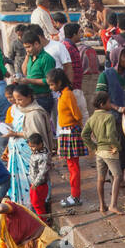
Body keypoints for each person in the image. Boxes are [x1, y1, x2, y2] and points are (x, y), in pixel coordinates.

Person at [2, 80, 52, 207]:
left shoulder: (35, 113)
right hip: (16, 151)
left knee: (34, 178)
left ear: (29, 97)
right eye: (15, 99)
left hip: (29, 153)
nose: (17, 102)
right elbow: (18, 126)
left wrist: (15, 134)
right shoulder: (19, 110)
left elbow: (36, 136)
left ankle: (35, 206)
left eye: (20, 99)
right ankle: (21, 205)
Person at [48, 68, 86, 210]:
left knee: (73, 167)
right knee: (71, 166)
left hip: (71, 132)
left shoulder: (68, 94)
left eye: (52, 85)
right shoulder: (62, 95)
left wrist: (80, 130)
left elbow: (77, 115)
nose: (51, 87)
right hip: (66, 132)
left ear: (59, 82)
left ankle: (75, 196)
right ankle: (74, 194)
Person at [82, 93, 124, 214]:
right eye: (108, 102)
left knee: (100, 179)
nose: (110, 104)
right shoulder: (109, 117)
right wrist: (117, 146)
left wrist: (93, 147)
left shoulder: (92, 118)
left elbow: (84, 135)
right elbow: (111, 135)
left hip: (99, 152)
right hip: (110, 151)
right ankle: (113, 205)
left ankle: (102, 205)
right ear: (102, 104)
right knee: (117, 176)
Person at [25, 134, 52, 220]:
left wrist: (36, 183)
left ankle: (43, 221)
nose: (31, 148)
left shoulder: (43, 156)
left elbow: (43, 172)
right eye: (30, 146)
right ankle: (42, 219)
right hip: (35, 182)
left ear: (40, 144)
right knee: (36, 203)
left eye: (33, 146)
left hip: (39, 184)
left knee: (37, 203)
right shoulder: (37, 152)